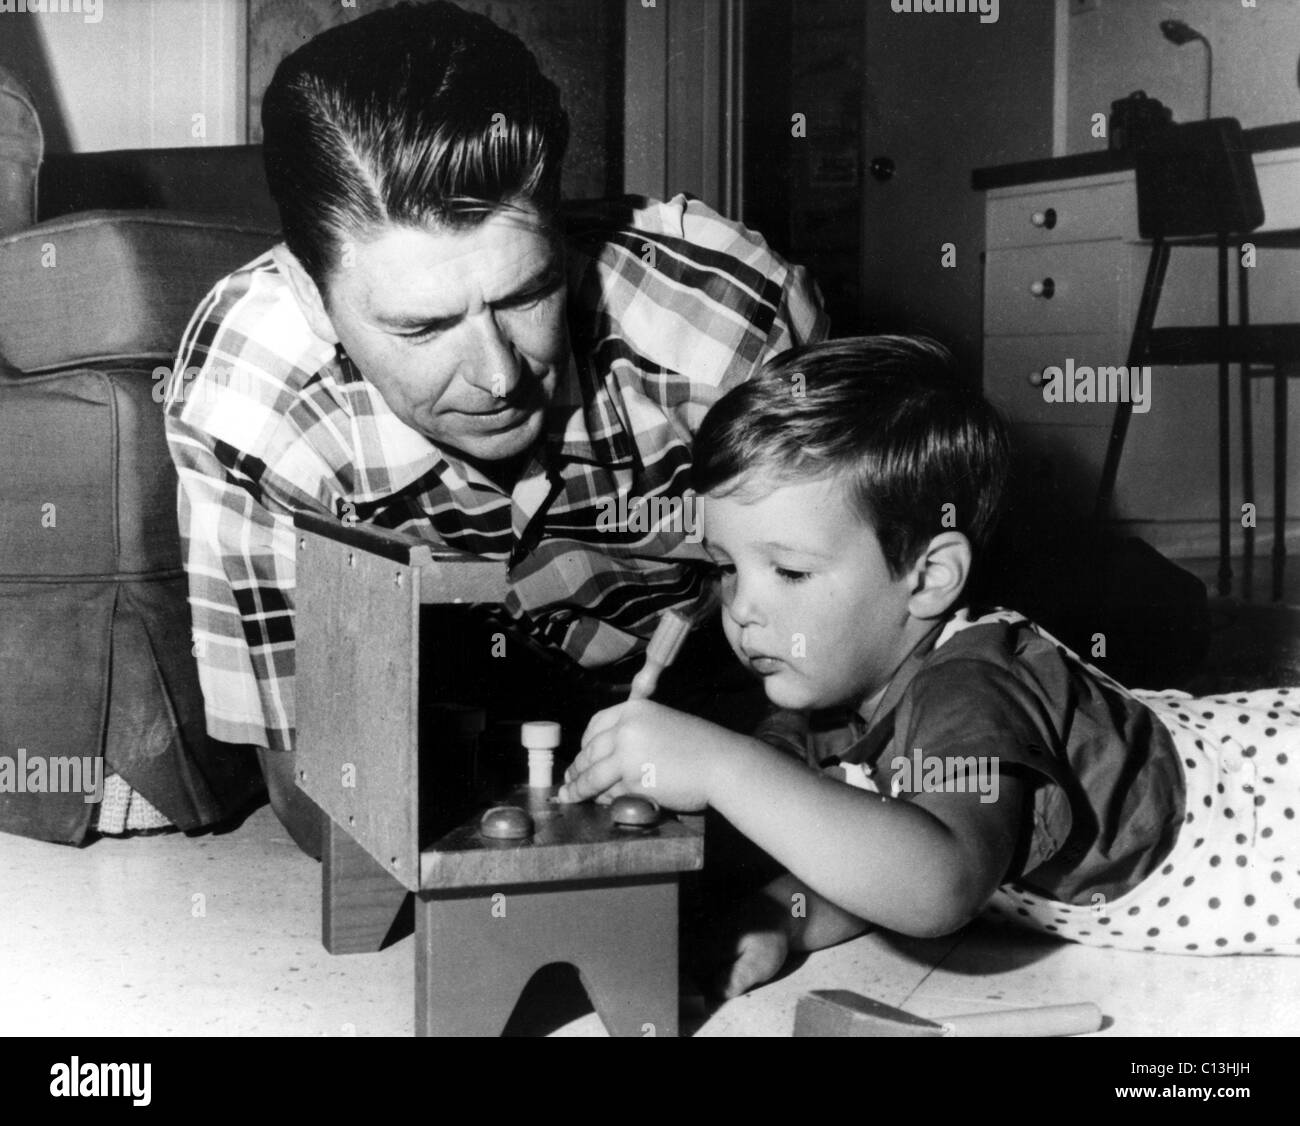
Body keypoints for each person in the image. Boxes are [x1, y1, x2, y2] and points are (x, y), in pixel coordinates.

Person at [162, 1, 827, 856]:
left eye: (525, 296)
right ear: (306, 293)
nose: (500, 375)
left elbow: (861, 655)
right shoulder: (249, 396)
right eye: (421, 328)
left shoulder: (727, 322)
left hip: (709, 695)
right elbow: (324, 798)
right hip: (437, 716)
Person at [559, 335, 1300, 998]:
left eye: (787, 571)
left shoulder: (969, 689)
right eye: (725, 568)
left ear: (928, 578)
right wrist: (785, 918)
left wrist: (723, 766)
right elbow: (872, 841)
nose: (742, 608)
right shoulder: (835, 691)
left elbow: (936, 882)